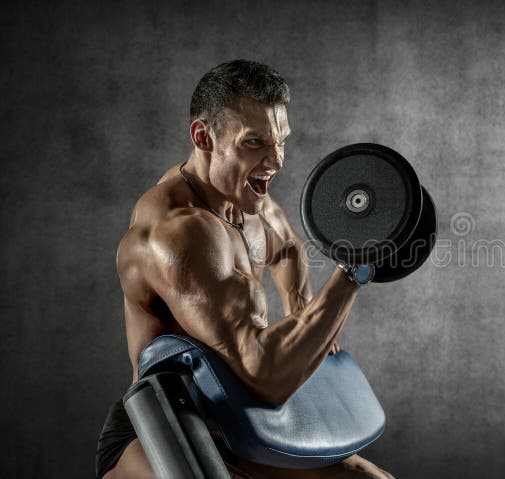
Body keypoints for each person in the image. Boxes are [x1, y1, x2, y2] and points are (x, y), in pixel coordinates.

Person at [96, 60, 393, 479]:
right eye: (254, 143)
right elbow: (265, 378)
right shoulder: (175, 235)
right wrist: (352, 274)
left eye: (281, 142)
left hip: (238, 418)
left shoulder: (255, 207)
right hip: (163, 425)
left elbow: (288, 249)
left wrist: (300, 307)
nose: (276, 161)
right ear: (204, 137)